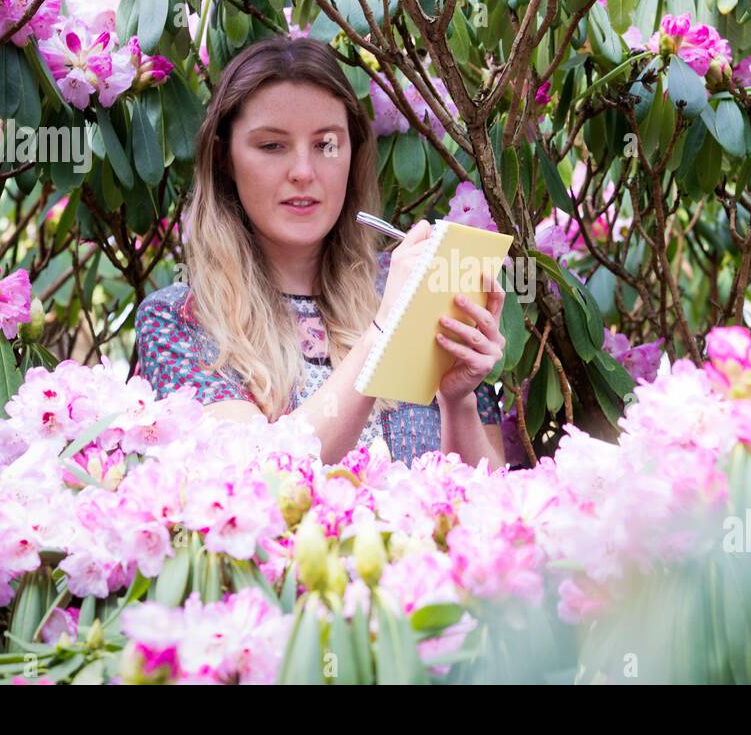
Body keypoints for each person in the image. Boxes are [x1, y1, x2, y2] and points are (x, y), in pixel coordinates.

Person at [133, 36, 507, 468]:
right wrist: (385, 331)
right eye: (272, 146)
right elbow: (259, 477)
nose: (304, 172)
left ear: (353, 153)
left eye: (326, 144)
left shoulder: (412, 286)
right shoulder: (178, 321)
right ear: (224, 160)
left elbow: (489, 503)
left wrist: (456, 399)